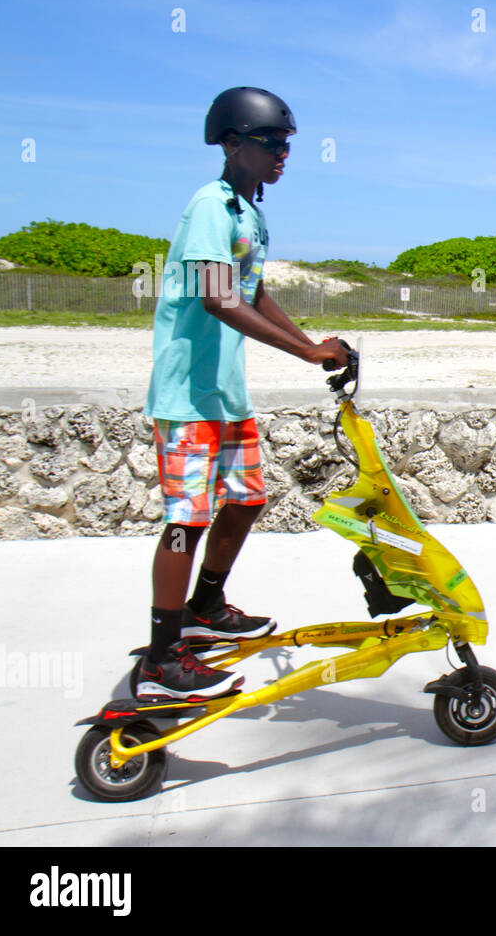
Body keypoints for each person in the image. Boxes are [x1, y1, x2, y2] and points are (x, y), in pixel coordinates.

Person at [137, 86, 347, 701]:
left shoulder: (247, 213)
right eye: (270, 143)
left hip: (225, 394)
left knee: (249, 499)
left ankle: (205, 605)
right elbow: (216, 297)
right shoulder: (209, 206)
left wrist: (315, 344)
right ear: (232, 144)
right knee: (185, 522)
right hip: (186, 397)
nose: (282, 154)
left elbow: (251, 293)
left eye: (286, 144)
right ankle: (161, 654)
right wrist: (306, 352)